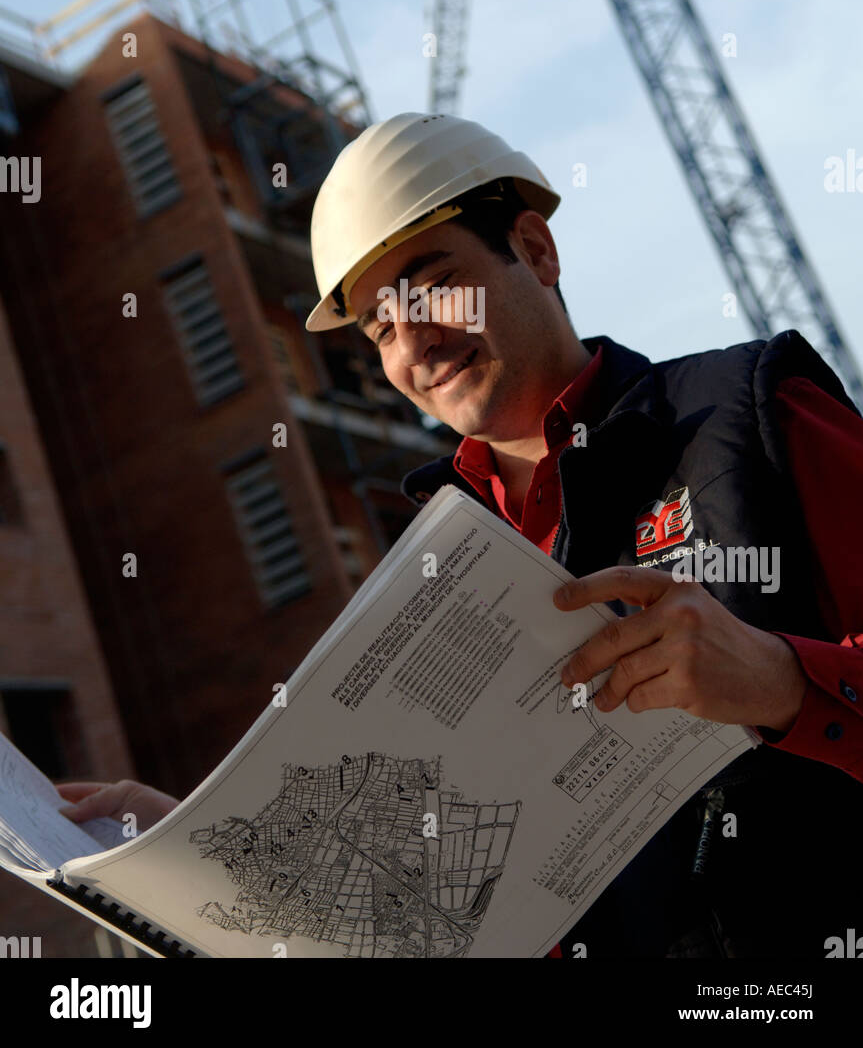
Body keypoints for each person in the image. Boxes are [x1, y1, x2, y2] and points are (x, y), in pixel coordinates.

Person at [61, 111, 863, 958]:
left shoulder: (748, 417)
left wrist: (785, 684)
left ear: (535, 249)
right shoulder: (435, 564)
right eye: (377, 327)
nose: (413, 343)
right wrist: (198, 853)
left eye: (433, 286)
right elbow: (432, 879)